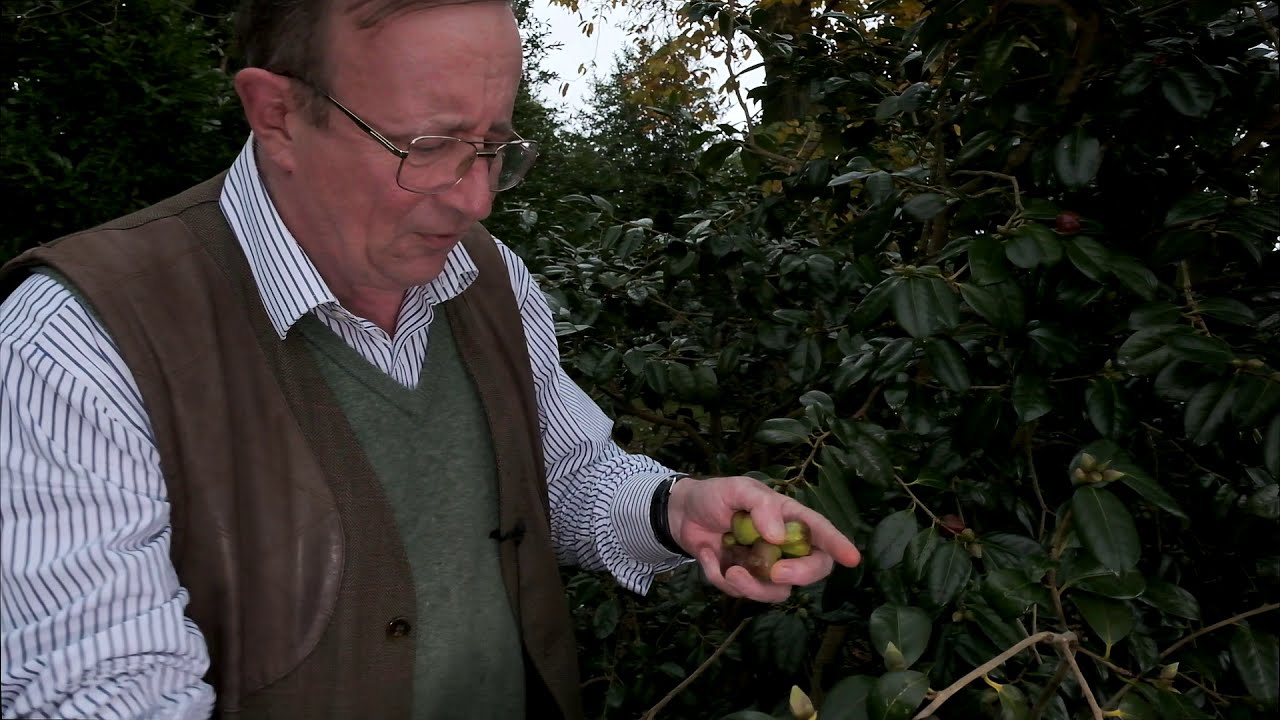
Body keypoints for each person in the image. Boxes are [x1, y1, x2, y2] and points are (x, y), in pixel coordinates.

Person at [0, 0, 862, 717]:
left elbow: (557, 475)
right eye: (428, 147)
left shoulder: (485, 277)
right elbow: (98, 689)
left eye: (494, 144)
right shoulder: (78, 341)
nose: (476, 195)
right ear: (277, 116)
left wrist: (672, 510)